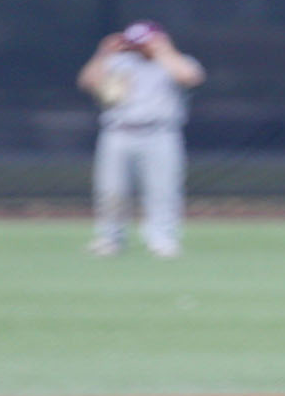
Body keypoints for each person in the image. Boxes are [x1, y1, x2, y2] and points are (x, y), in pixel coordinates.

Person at [78, 20, 205, 257]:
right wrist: (103, 53)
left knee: (163, 190)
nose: (139, 48)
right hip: (119, 132)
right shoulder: (118, 62)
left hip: (160, 132)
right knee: (111, 190)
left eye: (143, 43)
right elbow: (88, 82)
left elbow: (190, 76)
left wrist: (163, 50)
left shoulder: (173, 62)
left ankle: (162, 239)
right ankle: (109, 238)